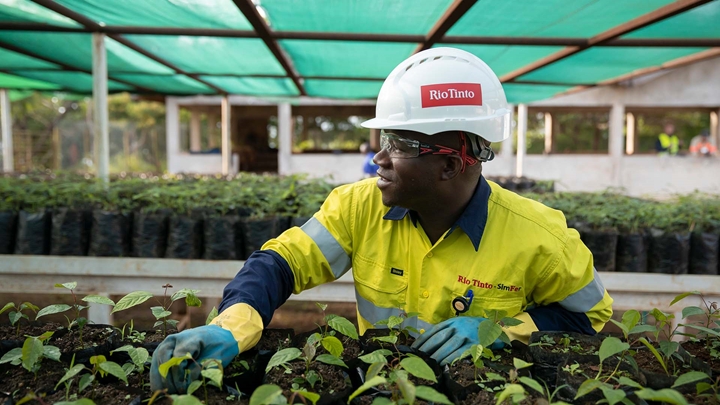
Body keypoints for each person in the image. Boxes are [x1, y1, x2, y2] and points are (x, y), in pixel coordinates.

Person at [150, 47, 613, 393]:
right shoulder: (358, 208)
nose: (379, 158)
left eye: (398, 145)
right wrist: (230, 326)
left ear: (451, 165)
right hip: (382, 389)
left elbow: (587, 320)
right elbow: (279, 264)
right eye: (383, 141)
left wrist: (496, 330)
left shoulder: (542, 237)